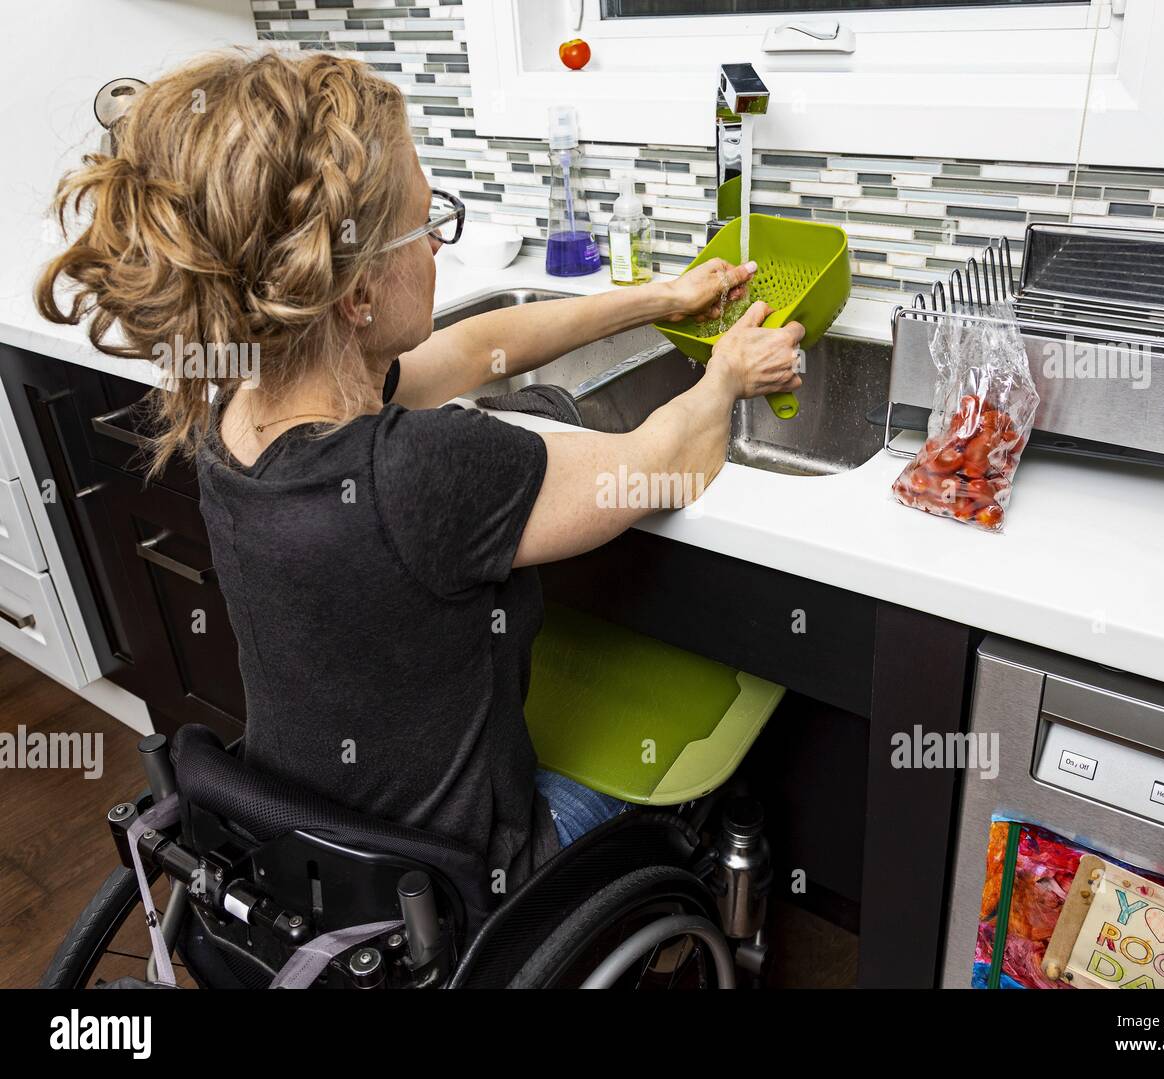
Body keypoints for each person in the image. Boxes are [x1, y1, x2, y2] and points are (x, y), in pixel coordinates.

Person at [36, 50, 804, 887]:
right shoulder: (422, 470)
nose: (441, 236)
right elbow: (668, 463)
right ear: (358, 293)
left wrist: (659, 299)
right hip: (473, 875)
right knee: (692, 784)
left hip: (319, 857)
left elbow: (479, 347)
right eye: (425, 217)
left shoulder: (238, 416)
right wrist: (729, 374)